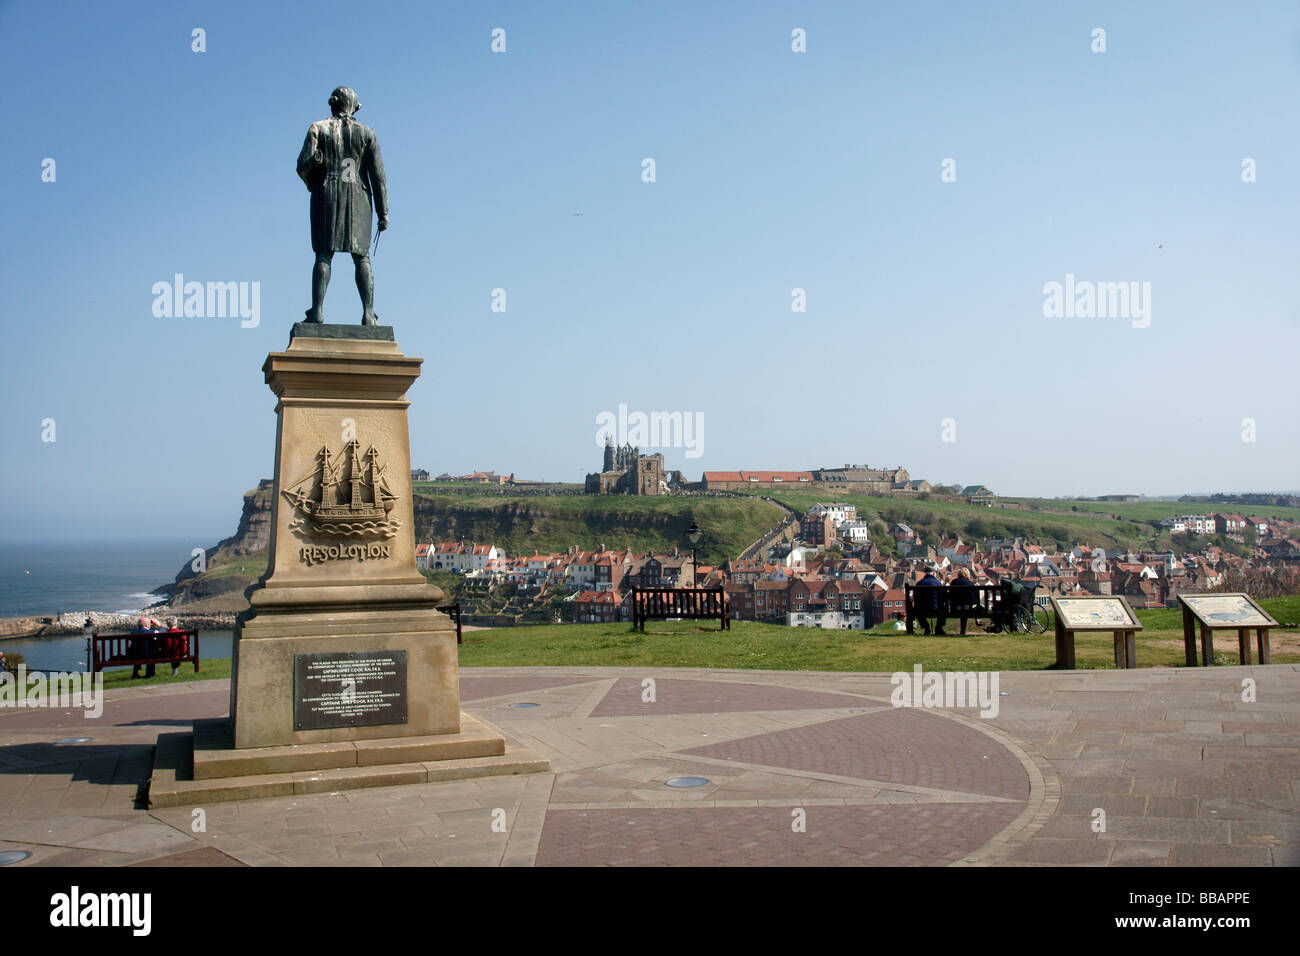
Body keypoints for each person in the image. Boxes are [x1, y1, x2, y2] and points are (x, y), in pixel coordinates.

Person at [297, 86, 389, 325]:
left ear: (333, 104)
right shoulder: (367, 133)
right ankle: (368, 313)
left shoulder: (318, 128)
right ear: (355, 107)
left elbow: (302, 164)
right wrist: (383, 211)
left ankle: (317, 311)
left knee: (323, 255)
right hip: (358, 197)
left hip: (327, 194)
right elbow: (378, 176)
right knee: (362, 257)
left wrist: (316, 172)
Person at [914, 565, 946, 635]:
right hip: (936, 608)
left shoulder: (919, 583)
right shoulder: (938, 583)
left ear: (925, 573)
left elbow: (916, 597)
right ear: (933, 573)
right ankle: (938, 627)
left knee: (918, 611)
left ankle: (926, 627)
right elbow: (942, 597)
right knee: (944, 609)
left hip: (922, 608)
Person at [950, 570, 976, 635]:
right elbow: (974, 599)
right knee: (966, 607)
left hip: (956, 608)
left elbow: (950, 596)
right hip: (968, 608)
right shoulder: (970, 584)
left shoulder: (954, 582)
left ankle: (963, 630)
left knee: (963, 608)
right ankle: (963, 629)